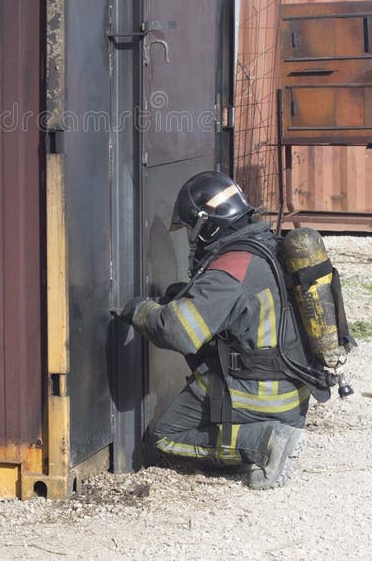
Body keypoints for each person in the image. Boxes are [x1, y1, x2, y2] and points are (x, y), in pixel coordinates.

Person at [120, 171, 326, 489]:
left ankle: (266, 440)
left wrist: (139, 311)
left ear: (209, 225)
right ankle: (268, 433)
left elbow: (178, 331)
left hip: (264, 394)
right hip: (293, 392)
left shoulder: (232, 266)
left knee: (166, 435)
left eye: (192, 230)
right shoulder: (267, 244)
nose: (191, 239)